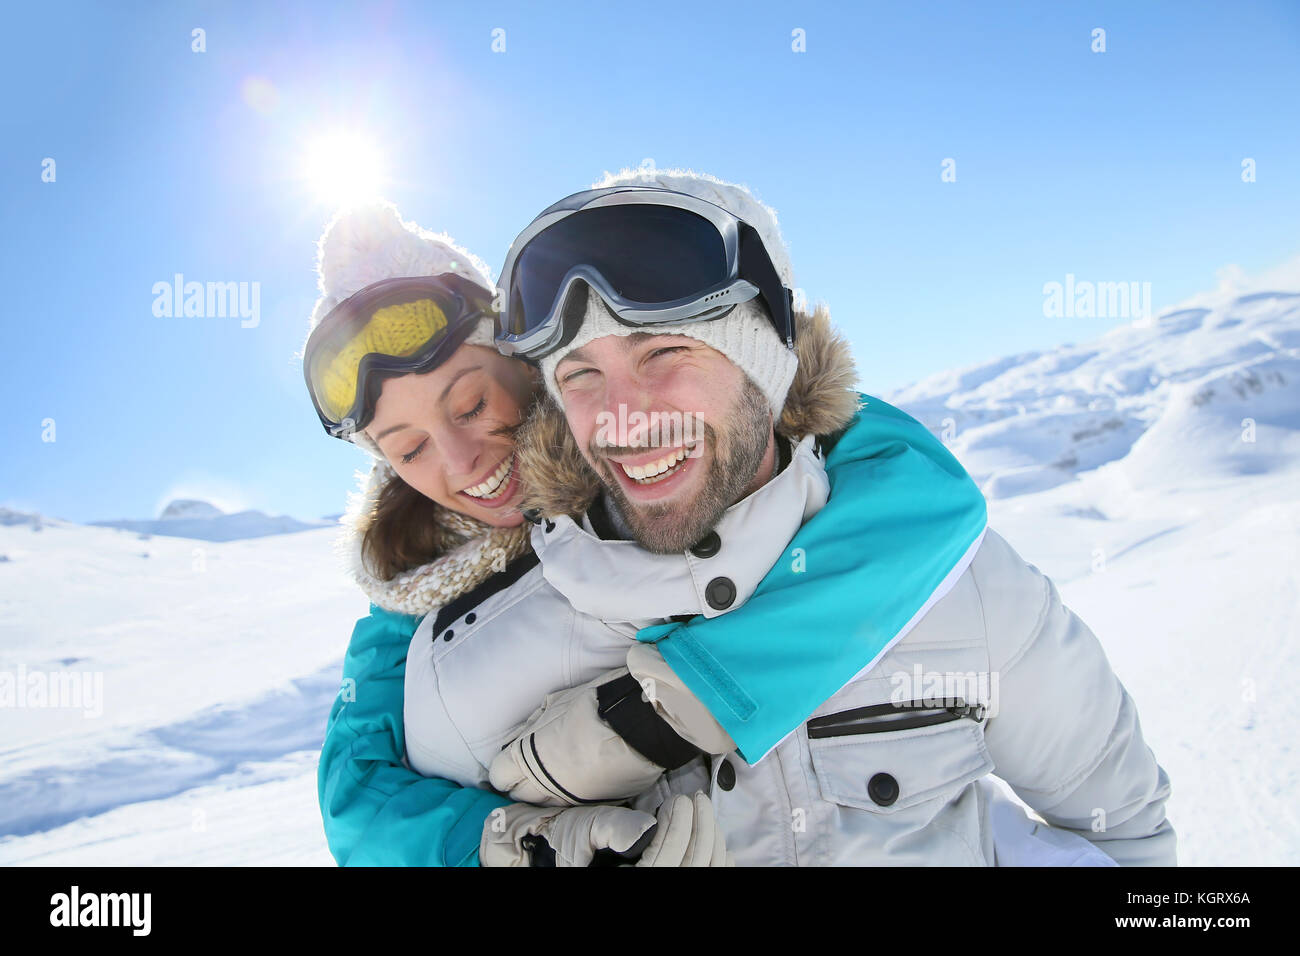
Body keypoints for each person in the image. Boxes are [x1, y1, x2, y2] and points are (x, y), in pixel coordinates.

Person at [402, 168, 1173, 865]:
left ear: (767, 364)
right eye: (580, 376)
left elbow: (1126, 832)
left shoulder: (962, 589)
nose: (623, 419)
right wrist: (520, 848)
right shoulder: (467, 671)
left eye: (664, 355)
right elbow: (413, 835)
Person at [308, 202, 728, 866]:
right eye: (409, 449)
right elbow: (356, 798)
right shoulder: (408, 591)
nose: (459, 461)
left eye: (471, 405)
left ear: (523, 358)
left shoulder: (641, 441)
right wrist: (510, 840)